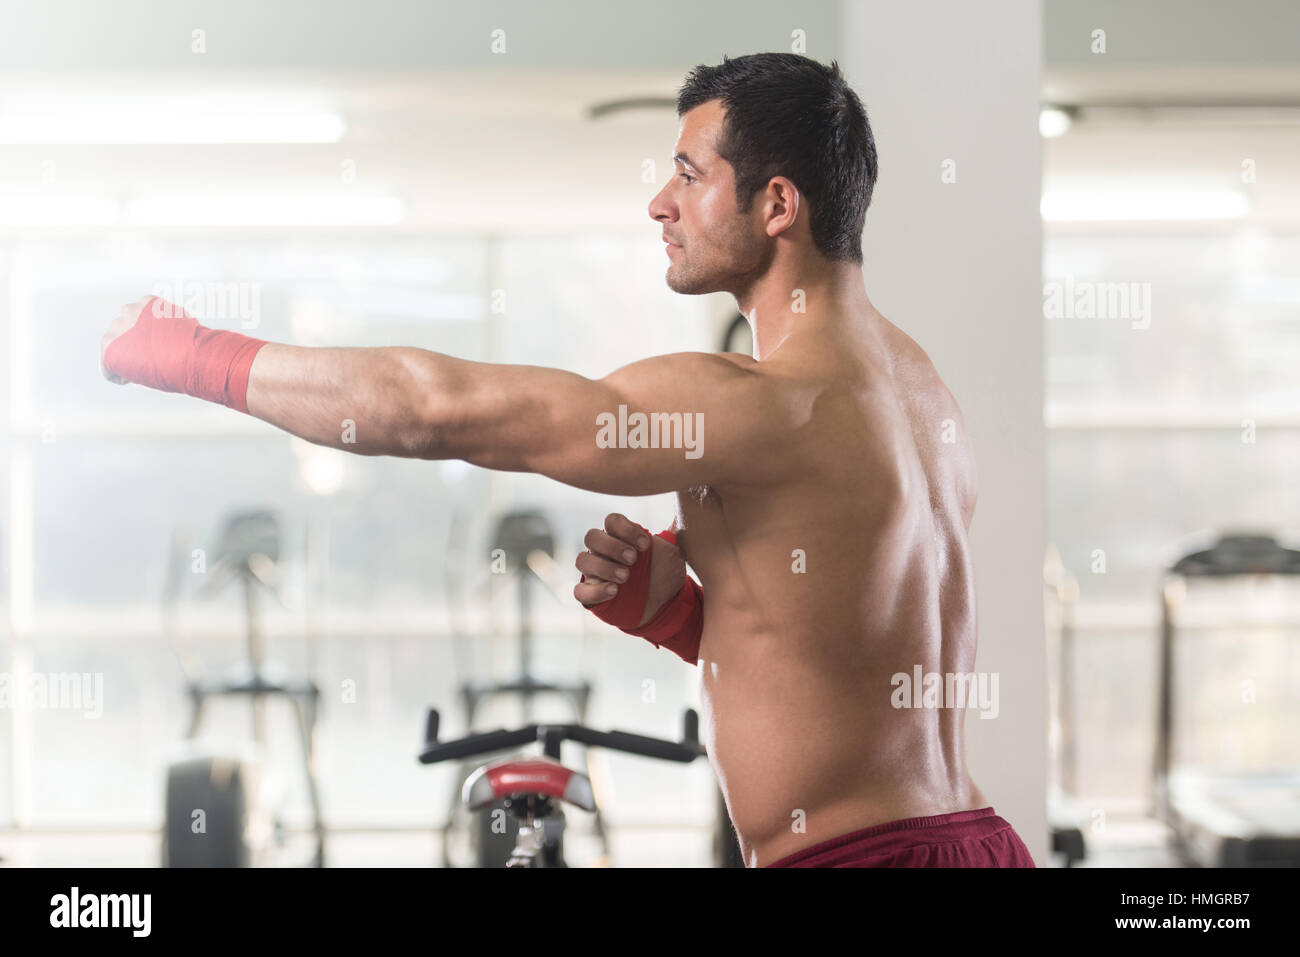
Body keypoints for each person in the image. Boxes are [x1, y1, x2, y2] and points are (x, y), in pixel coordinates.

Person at [100, 52, 1033, 867]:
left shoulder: (761, 403)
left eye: (688, 173)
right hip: (983, 841)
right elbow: (854, 645)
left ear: (778, 203)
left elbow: (438, 412)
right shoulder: (918, 391)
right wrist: (682, 618)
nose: (660, 202)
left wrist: (197, 356)